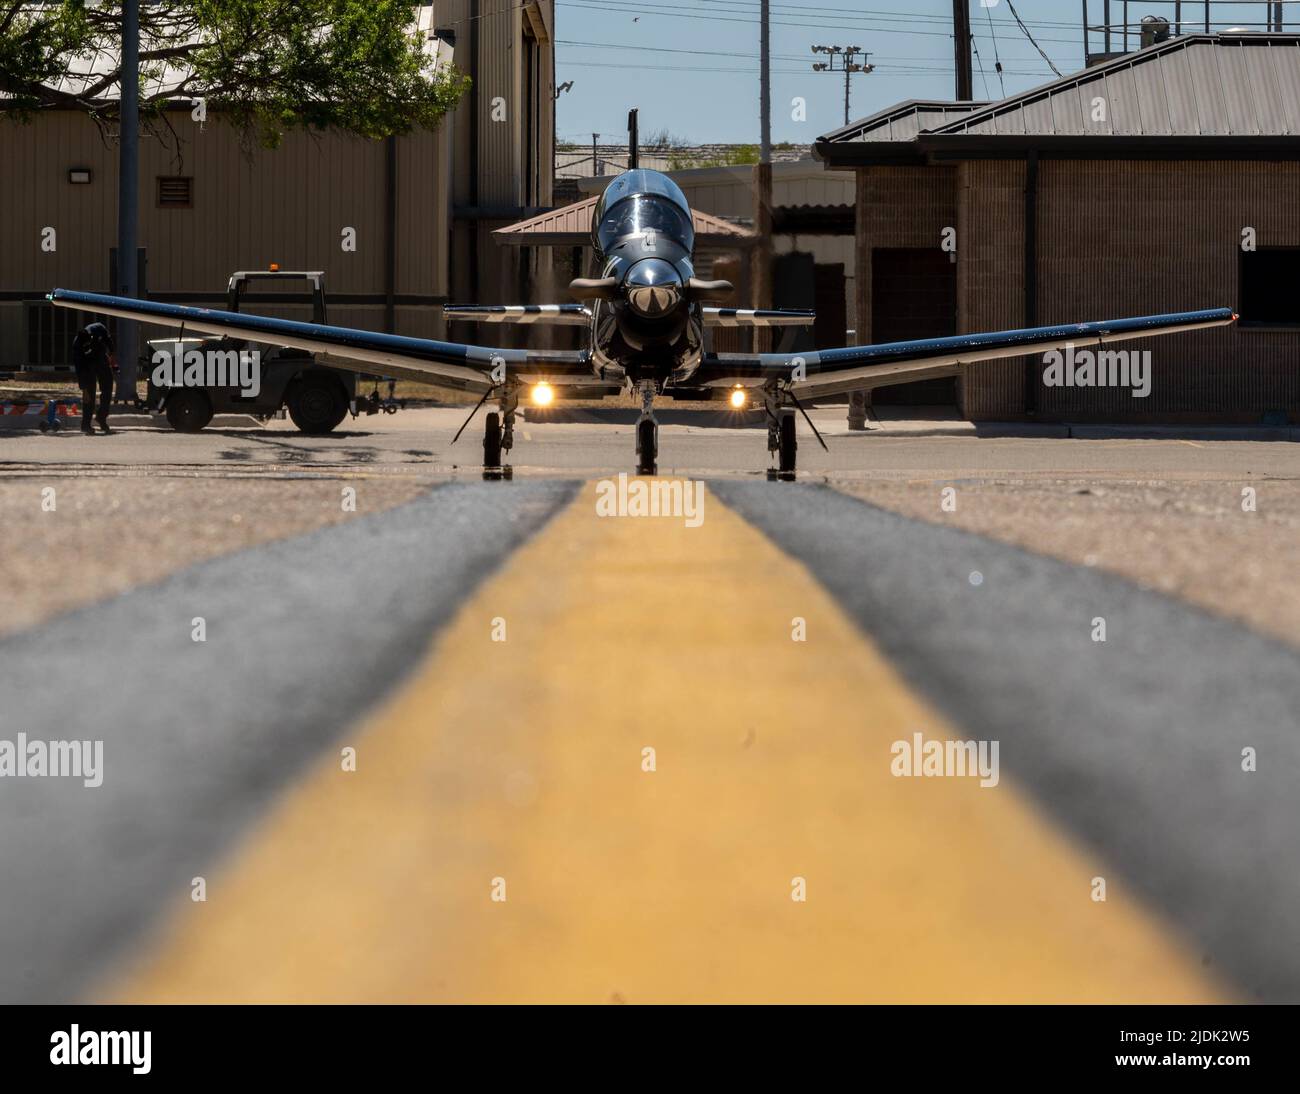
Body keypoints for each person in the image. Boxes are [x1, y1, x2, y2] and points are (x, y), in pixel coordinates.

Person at [71, 321, 117, 435]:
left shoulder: (98, 328)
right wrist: (84, 389)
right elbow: (79, 369)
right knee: (89, 395)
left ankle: (101, 417)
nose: (88, 347)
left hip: (101, 359)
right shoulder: (77, 346)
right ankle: (86, 424)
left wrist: (111, 353)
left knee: (108, 388)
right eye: (85, 347)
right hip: (87, 365)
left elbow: (108, 339)